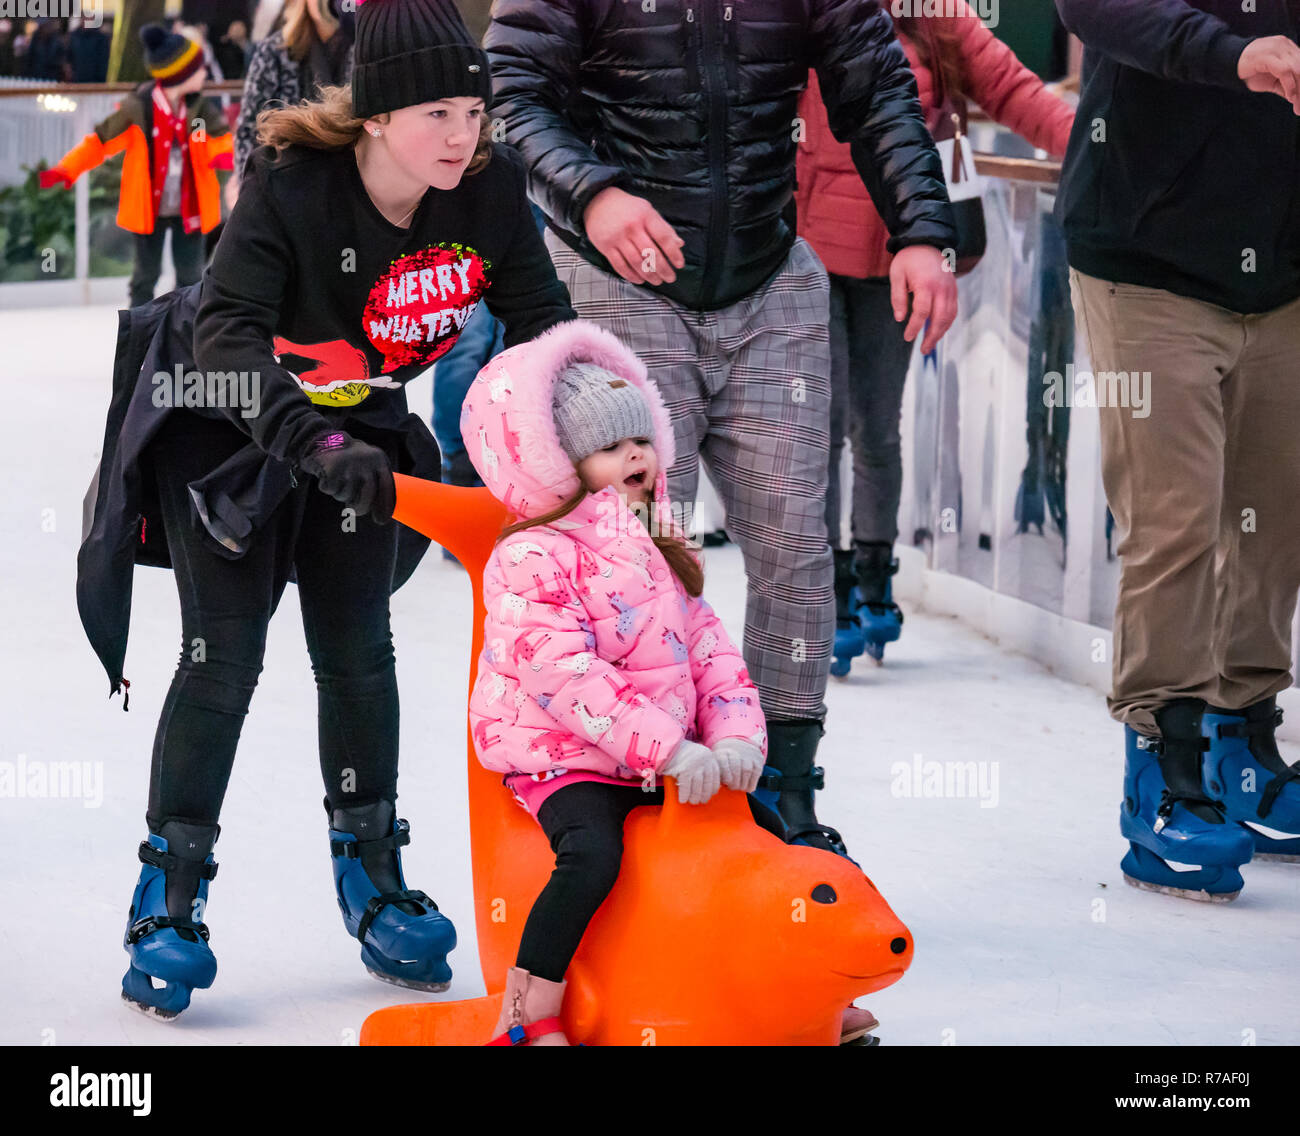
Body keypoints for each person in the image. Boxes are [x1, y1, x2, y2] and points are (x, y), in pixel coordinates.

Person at [75, 0, 578, 1019]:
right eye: (438, 114)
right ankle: (166, 891)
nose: (462, 135)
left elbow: (540, 328)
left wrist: (572, 450)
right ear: (380, 116)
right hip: (223, 421)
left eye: (473, 113)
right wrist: (314, 443)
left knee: (358, 647)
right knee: (226, 654)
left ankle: (373, 872)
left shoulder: (483, 192)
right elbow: (224, 336)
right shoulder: (295, 189)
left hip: (359, 430)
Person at [487, 0, 960, 863]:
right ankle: (634, 796)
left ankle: (783, 797)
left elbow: (880, 87)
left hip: (768, 274)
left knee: (795, 550)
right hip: (617, 279)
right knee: (635, 559)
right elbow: (511, 93)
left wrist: (923, 230)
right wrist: (593, 194)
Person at [464, 328, 880, 1046]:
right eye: (608, 447)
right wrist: (665, 749)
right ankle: (529, 1014)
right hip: (563, 758)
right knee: (591, 855)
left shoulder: (657, 540)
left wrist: (737, 737)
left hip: (657, 757)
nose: (635, 456)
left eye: (640, 441)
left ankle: (801, 986)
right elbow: (566, 677)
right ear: (559, 463)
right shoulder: (531, 555)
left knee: (767, 836)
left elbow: (711, 653)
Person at [1055, 0, 1300, 900]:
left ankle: (1245, 746)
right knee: (1178, 516)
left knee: (1276, 519)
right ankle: (1166, 758)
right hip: (1146, 255)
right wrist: (1233, 54)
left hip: (1282, 264)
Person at [798, 1, 1074, 673]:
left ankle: (873, 575)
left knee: (878, 426)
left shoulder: (937, 16)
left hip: (904, 252)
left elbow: (1013, 90)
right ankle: (826, 588)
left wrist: (1103, 149)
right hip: (805, 252)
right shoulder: (800, 12)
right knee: (820, 424)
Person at [39, 24, 230, 309]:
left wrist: (220, 155)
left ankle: (186, 331)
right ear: (181, 74)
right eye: (199, 68)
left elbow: (215, 139)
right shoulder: (138, 108)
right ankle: (140, 331)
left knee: (191, 277)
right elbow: (101, 141)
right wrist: (68, 169)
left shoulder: (199, 108)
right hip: (148, 209)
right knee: (145, 276)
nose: (204, 73)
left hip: (190, 209)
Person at [233, 0, 355, 187]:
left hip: (348, 183)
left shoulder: (361, 51)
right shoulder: (275, 51)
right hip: (284, 183)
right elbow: (249, 128)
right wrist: (247, 189)